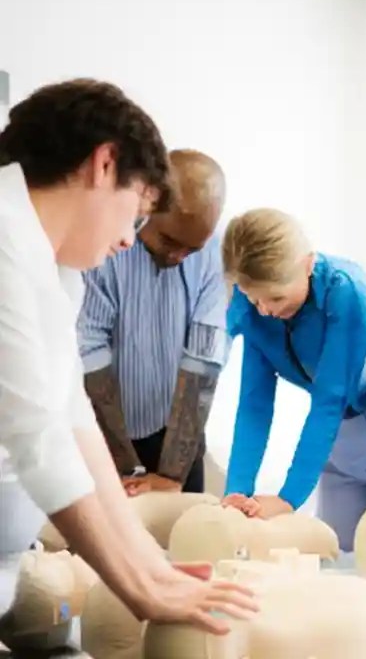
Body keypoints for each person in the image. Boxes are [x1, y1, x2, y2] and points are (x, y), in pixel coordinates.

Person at [0, 78, 254, 634]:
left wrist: (151, 566)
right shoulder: (3, 239)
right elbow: (36, 437)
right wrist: (138, 589)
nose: (127, 240)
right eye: (135, 214)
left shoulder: (54, 270)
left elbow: (72, 419)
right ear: (104, 165)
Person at [220, 208, 366, 550]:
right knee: (334, 563)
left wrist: (288, 499)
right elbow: (254, 404)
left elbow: (329, 398)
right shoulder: (251, 308)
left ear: (308, 263)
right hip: (342, 445)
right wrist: (236, 494)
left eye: (276, 297)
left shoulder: (347, 290)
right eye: (254, 297)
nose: (264, 310)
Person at [78, 149, 229, 496]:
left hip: (177, 435)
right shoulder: (106, 244)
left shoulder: (213, 252)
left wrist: (172, 476)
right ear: (148, 204)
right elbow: (89, 355)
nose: (179, 257)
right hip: (102, 434)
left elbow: (202, 363)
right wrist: (127, 469)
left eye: (192, 249)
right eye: (170, 242)